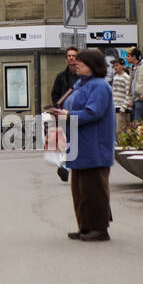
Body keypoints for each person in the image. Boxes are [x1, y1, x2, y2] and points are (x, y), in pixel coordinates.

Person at [60, 48, 115, 241]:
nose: (76, 64)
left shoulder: (99, 86)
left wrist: (68, 115)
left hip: (94, 145)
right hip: (79, 144)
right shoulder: (80, 84)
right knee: (80, 189)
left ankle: (99, 228)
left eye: (81, 63)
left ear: (92, 66)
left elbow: (93, 112)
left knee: (94, 189)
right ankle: (84, 225)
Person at [111, 57, 131, 138]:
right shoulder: (115, 77)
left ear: (122, 66)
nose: (115, 67)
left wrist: (124, 107)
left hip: (122, 108)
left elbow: (129, 93)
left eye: (117, 65)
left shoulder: (126, 77)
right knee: (115, 130)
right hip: (115, 106)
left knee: (121, 130)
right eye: (114, 66)